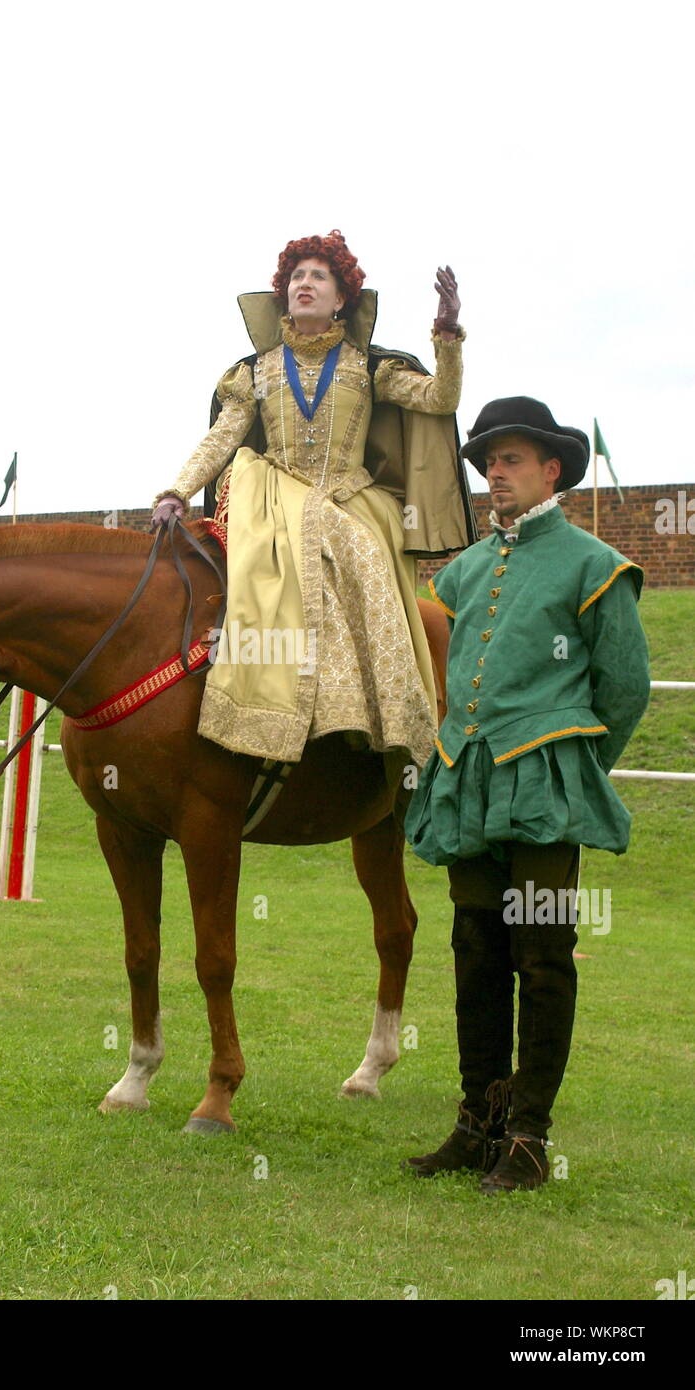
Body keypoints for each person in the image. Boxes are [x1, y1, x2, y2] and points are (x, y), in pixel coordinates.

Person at [403, 397, 651, 1192]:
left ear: (552, 470)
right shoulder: (465, 572)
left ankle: (530, 1140)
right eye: (488, 463)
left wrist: (574, 770)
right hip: (469, 783)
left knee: (541, 957)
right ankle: (478, 1123)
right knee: (476, 952)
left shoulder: (591, 562)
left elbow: (624, 689)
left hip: (544, 787)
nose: (495, 475)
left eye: (511, 460)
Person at [151, 230, 475, 773]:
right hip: (274, 493)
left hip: (349, 497)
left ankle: (371, 716)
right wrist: (176, 491)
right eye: (296, 276)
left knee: (368, 559)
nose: (304, 284)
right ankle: (248, 702)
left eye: (318, 276)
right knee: (259, 574)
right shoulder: (255, 371)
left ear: (341, 297)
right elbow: (224, 436)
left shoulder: (371, 366)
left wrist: (447, 334)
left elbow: (441, 398)